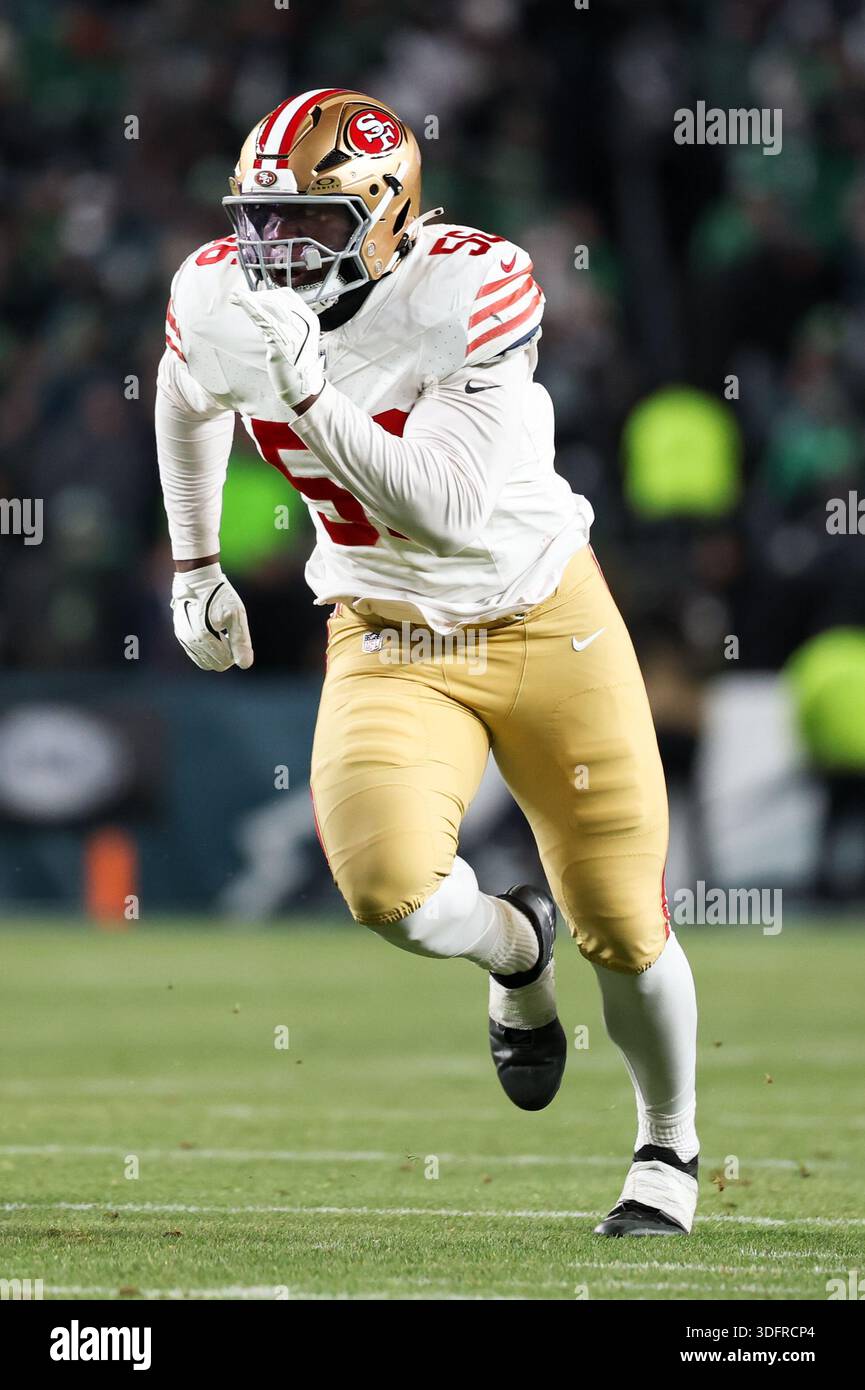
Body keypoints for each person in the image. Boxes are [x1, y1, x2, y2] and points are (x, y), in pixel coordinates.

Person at [155, 88, 699, 1237]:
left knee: (623, 920)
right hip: (388, 632)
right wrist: (195, 558)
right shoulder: (218, 285)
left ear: (383, 211)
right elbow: (186, 385)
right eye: (259, 222)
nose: (271, 252)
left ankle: (667, 1144)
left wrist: (306, 389)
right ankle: (515, 949)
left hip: (546, 615)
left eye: (304, 224)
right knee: (385, 887)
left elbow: (448, 510)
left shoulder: (469, 285)